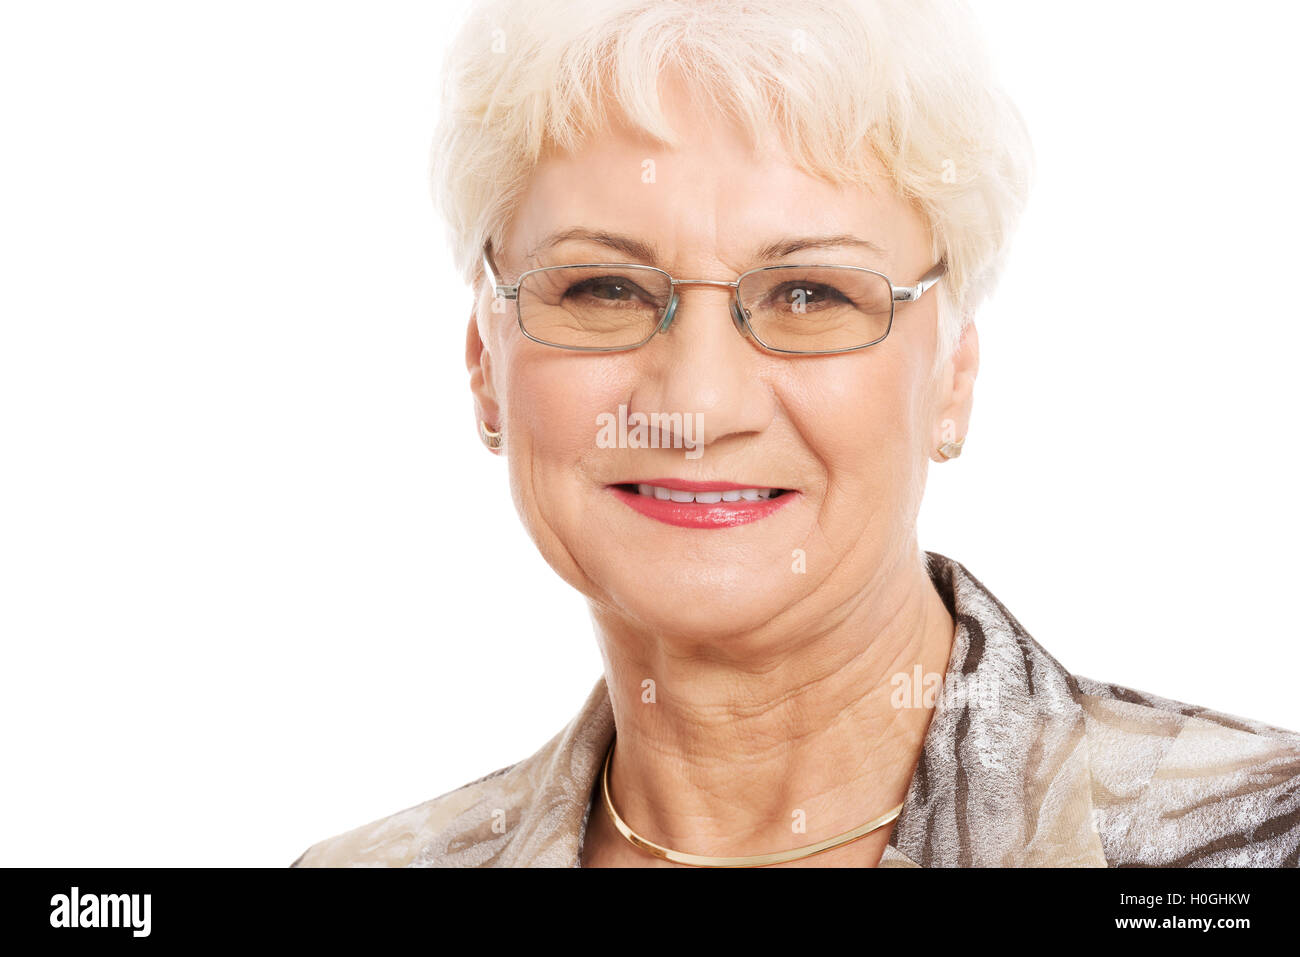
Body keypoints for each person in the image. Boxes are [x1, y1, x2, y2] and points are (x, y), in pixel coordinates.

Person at [292, 0, 1300, 867]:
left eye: (810, 293)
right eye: (602, 287)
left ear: (951, 375)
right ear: (484, 366)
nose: (700, 403)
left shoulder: (1253, 840)